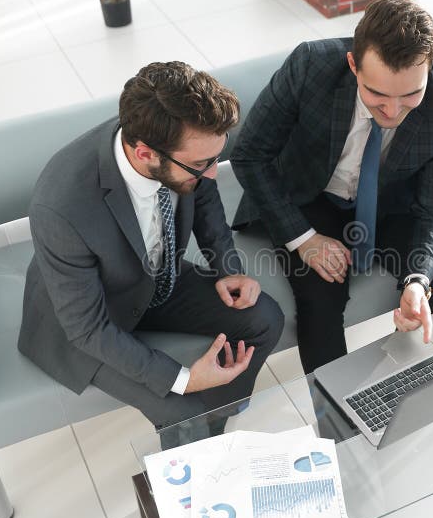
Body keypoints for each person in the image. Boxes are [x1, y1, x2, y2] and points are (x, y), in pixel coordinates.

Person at [18, 61, 283, 434]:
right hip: (90, 316)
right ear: (144, 154)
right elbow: (88, 329)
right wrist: (185, 379)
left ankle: (216, 425)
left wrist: (228, 268)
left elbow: (204, 201)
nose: (212, 174)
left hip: (154, 278)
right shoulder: (61, 205)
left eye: (214, 159)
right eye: (201, 165)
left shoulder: (185, 147)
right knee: (182, 410)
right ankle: (194, 458)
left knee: (265, 319)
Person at [230, 0, 433, 374]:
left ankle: (418, 387)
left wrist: (417, 282)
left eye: (411, 95)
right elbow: (249, 155)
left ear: (429, 68)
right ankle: (339, 423)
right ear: (352, 65)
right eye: (377, 95)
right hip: (309, 195)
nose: (393, 112)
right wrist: (304, 239)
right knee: (319, 296)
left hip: (391, 202)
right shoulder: (309, 65)